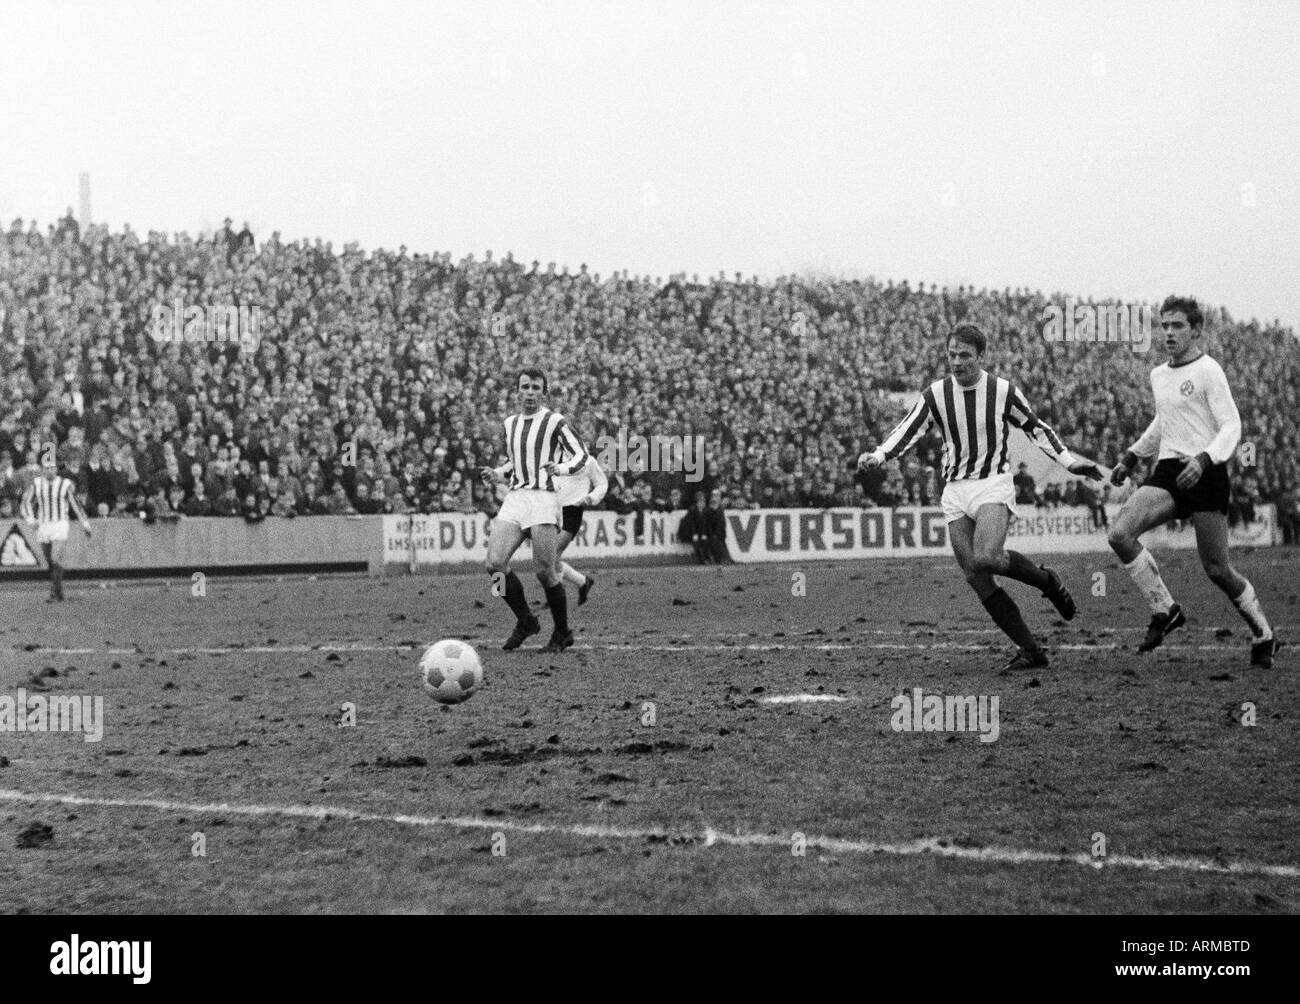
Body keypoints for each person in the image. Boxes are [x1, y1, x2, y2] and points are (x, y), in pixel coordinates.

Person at [859, 323, 1102, 671]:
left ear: (981, 356)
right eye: (951, 355)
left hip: (992, 482)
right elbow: (908, 430)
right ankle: (1030, 649)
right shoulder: (936, 394)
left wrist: (1068, 462)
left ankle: (1048, 581)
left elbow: (1036, 428)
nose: (956, 362)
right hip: (955, 489)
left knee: (987, 556)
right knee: (975, 573)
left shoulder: (1003, 391)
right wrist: (879, 455)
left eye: (965, 356)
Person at [1107, 296, 1280, 667]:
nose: (1169, 332)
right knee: (1120, 534)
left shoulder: (1208, 370)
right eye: (1165, 325)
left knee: (1217, 569)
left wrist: (1205, 459)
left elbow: (1231, 425)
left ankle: (1263, 633)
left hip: (1206, 473)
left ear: (1196, 330)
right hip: (1170, 470)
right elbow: (1163, 421)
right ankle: (1165, 610)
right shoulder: (1158, 374)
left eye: (1178, 326)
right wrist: (1132, 456)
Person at [479, 369, 589, 653]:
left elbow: (581, 455)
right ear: (517, 391)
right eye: (525, 387)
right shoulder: (510, 423)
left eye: (535, 387)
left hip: (542, 498)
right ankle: (526, 620)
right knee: (494, 564)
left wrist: (561, 468)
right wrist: (498, 473)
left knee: (544, 571)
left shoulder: (555, 422)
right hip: (516, 497)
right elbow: (515, 461)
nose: (530, 392)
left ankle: (562, 632)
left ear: (544, 392)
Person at [20, 455, 92, 602]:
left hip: (60, 524)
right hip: (43, 525)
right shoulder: (36, 483)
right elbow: (25, 502)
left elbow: (75, 504)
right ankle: (59, 592)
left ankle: (53, 593)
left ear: (57, 469)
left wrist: (85, 523)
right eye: (47, 468)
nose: (50, 471)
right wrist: (30, 519)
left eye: (52, 468)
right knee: (49, 561)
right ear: (43, 469)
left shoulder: (65, 484)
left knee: (55, 557)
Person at [552, 450, 608, 605]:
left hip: (572, 511)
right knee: (550, 558)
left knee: (552, 554)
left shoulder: (587, 461)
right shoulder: (553, 457)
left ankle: (556, 598)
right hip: (552, 511)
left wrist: (591, 498)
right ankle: (583, 582)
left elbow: (602, 483)